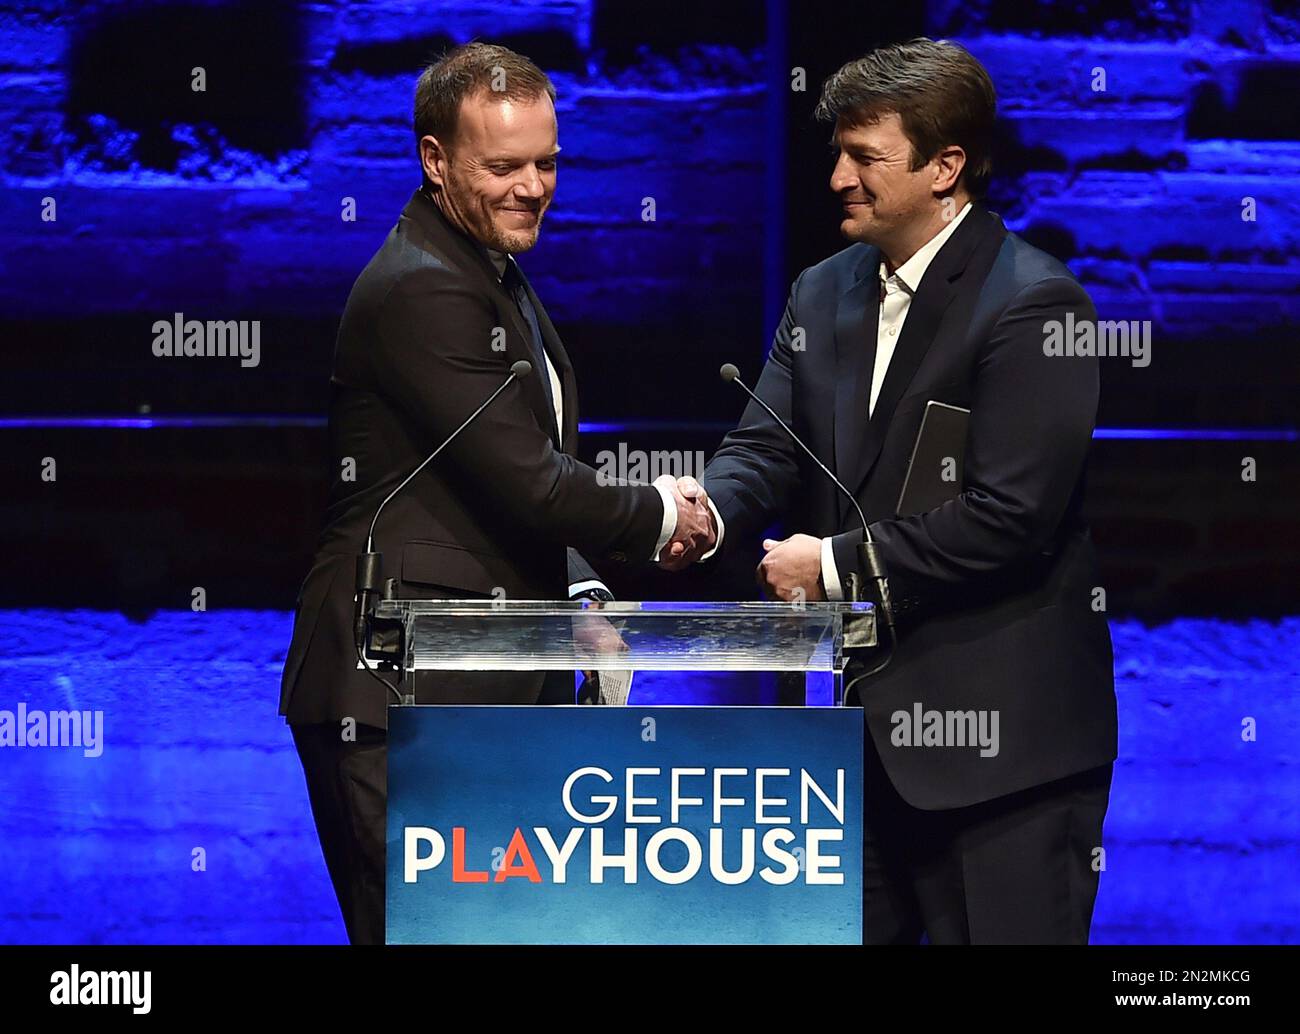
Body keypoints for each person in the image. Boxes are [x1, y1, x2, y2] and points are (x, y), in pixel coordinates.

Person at [278, 43, 717, 944]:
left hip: (485, 679)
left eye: (547, 163)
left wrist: (581, 594)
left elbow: (501, 484)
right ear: (435, 161)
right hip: (402, 682)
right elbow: (530, 483)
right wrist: (663, 515)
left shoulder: (487, 272)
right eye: (504, 166)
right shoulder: (422, 290)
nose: (533, 187)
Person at [691, 38, 1118, 944]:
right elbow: (766, 449)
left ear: (946, 167)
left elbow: (1012, 518)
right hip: (860, 757)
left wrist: (833, 565)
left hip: (1005, 762)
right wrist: (701, 513)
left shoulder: (1036, 306)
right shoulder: (821, 292)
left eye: (866, 157)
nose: (840, 176)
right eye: (836, 153)